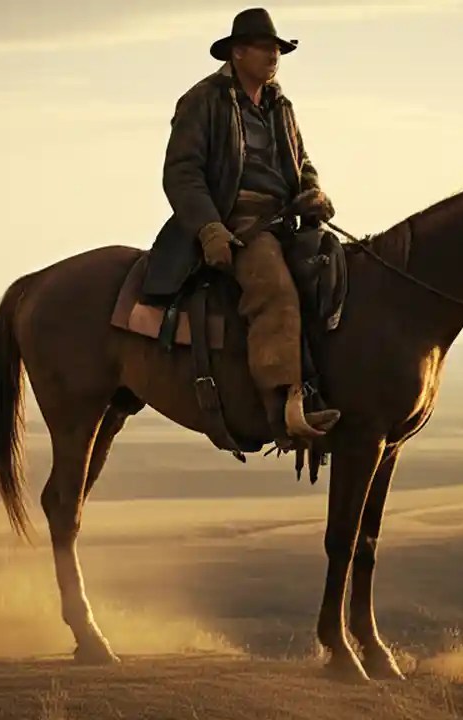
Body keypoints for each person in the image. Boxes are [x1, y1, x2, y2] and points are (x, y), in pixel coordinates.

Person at [156, 7, 340, 446]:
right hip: (238, 221)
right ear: (238, 53)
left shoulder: (280, 105)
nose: (274, 56)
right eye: (265, 48)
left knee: (335, 268)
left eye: (277, 49)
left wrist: (313, 191)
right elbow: (182, 173)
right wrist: (210, 229)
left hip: (285, 217)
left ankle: (328, 379)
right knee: (272, 287)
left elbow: (302, 161)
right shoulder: (204, 100)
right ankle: (285, 408)